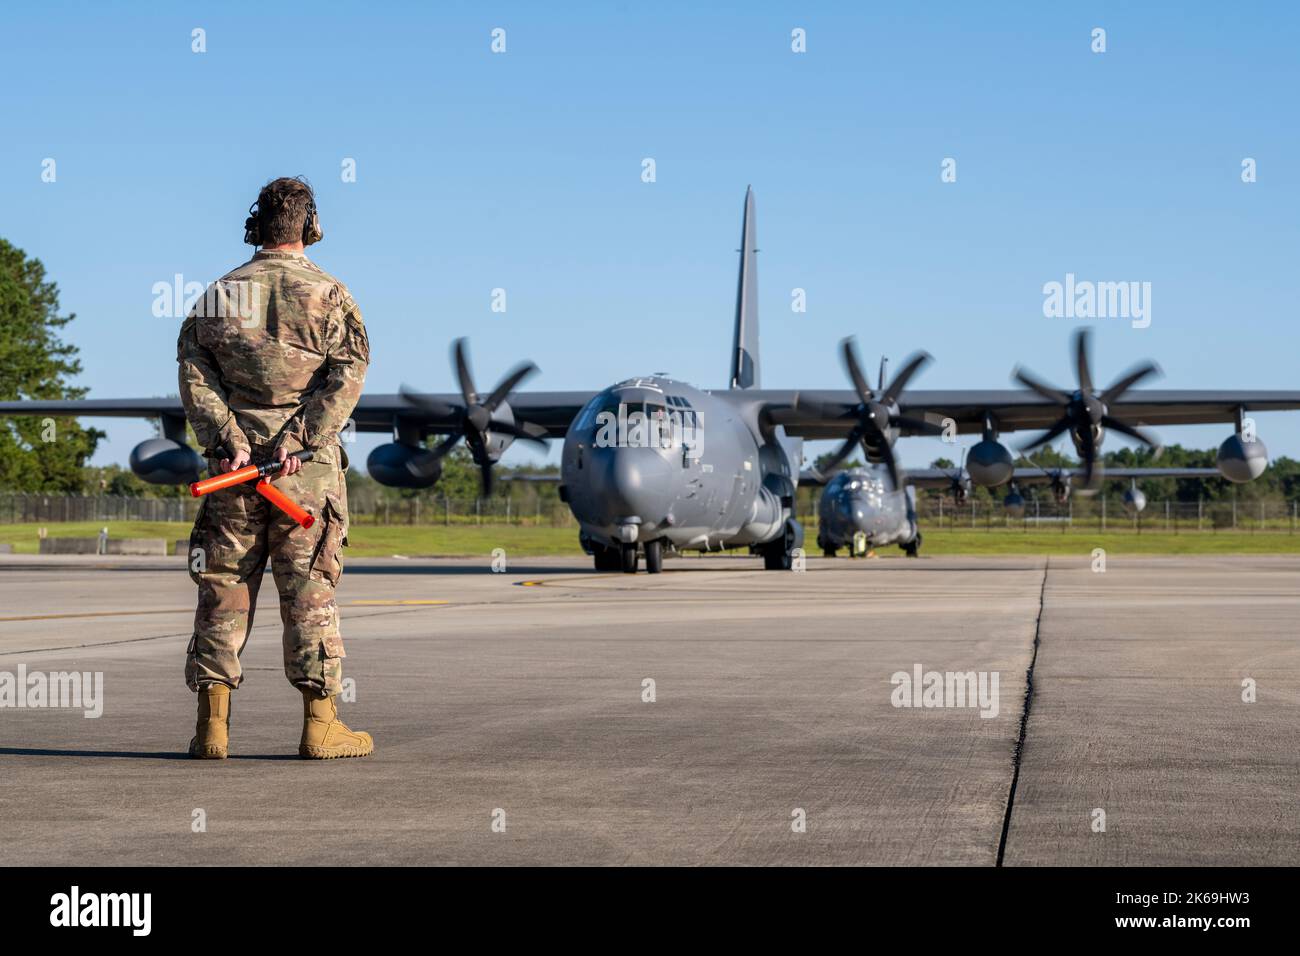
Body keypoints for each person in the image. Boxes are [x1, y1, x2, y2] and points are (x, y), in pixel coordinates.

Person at [177, 176, 372, 760]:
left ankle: (212, 730)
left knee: (223, 590)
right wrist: (303, 438)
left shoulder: (217, 295)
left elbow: (195, 373)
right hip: (303, 480)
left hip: (232, 476)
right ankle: (320, 727)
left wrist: (229, 439)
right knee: (310, 593)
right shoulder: (332, 296)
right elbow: (347, 375)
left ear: (254, 227)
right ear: (310, 228)